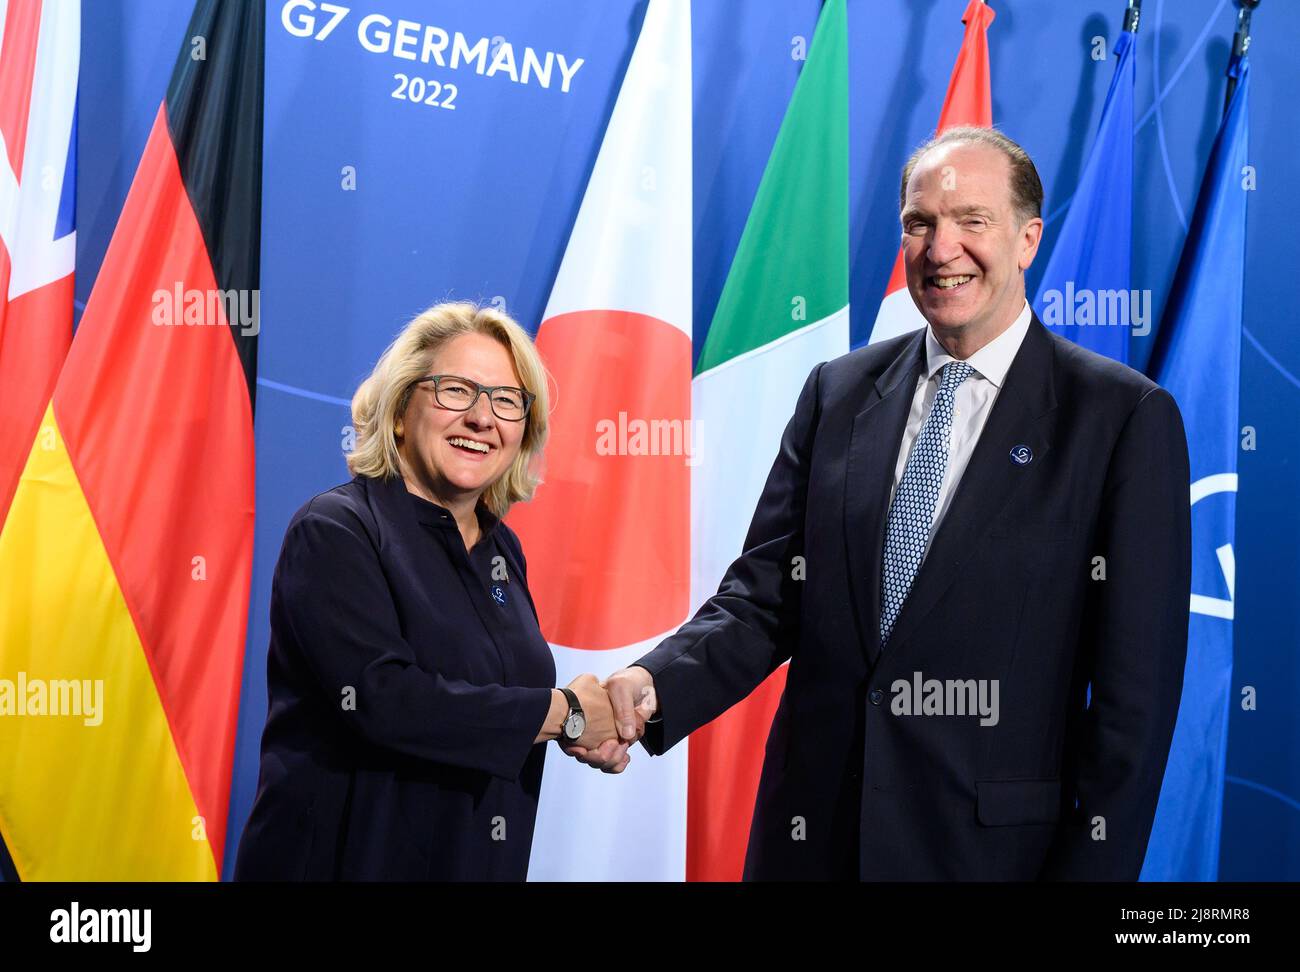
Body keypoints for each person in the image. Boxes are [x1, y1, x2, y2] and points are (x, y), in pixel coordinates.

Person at [568, 127, 1193, 881]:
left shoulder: (1120, 419)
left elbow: (1134, 707)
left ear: (1028, 240)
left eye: (973, 221)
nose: (941, 248)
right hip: (812, 841)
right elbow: (765, 598)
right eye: (920, 223)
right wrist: (649, 687)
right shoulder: (839, 391)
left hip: (988, 858)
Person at [235, 301, 621, 881]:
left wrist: (587, 723)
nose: (482, 418)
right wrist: (562, 713)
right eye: (457, 391)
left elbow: (492, 705)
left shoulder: (502, 552)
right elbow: (384, 701)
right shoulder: (337, 530)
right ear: (400, 410)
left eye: (506, 401)